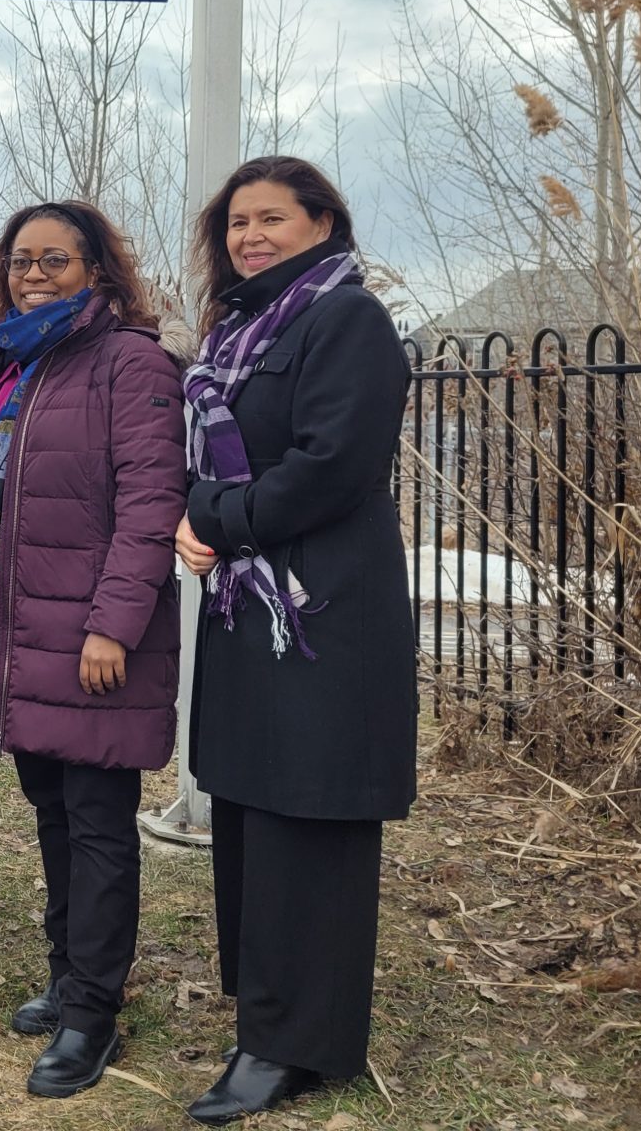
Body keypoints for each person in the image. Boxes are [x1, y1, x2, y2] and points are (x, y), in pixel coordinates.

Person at [172, 156, 414, 1125]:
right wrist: (202, 513)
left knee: (305, 822)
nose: (248, 237)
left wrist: (218, 519)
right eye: (236, 223)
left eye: (270, 218)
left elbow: (330, 467)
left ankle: (290, 1044)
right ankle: (266, 1017)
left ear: (321, 223)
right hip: (251, 618)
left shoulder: (345, 321)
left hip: (322, 620)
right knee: (250, 813)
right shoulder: (232, 332)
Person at [0, 201, 185, 1098]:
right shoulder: (5, 366)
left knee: (101, 828)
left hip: (91, 642)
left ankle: (94, 1016)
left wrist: (114, 622)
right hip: (15, 635)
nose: (33, 274)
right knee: (53, 817)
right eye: (21, 260)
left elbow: (153, 503)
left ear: (97, 271)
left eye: (56, 261)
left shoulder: (130, 362)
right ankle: (69, 978)